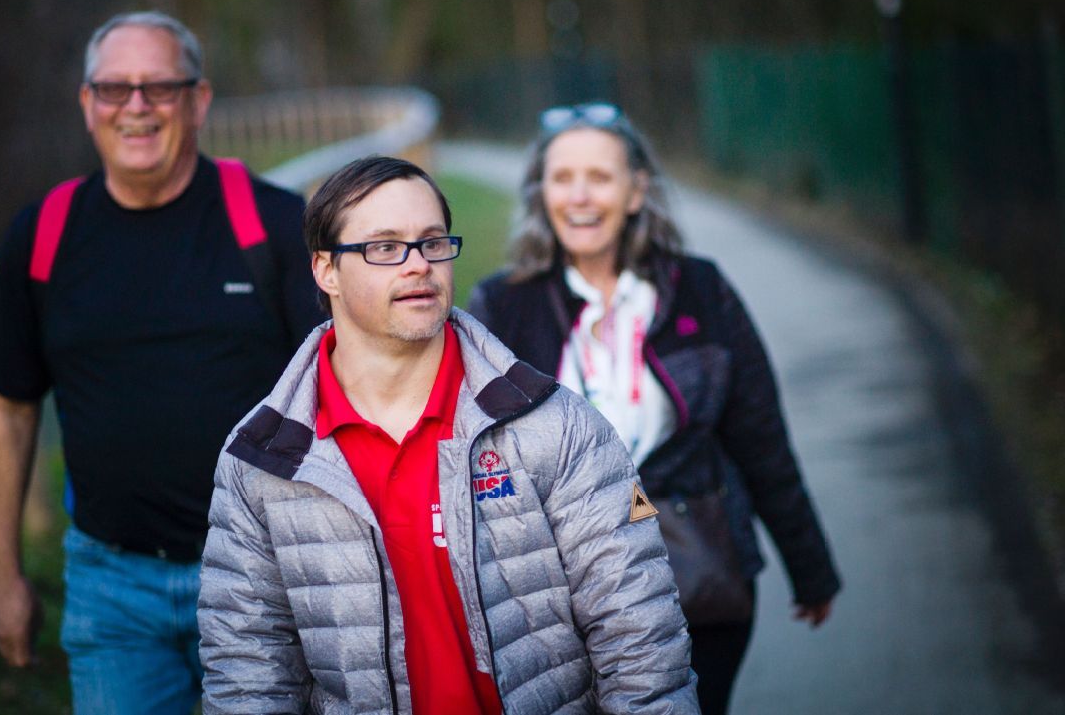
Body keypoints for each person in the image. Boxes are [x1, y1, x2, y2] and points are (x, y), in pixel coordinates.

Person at [198, 155, 700, 714]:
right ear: (325, 270)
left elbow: (640, 642)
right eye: (384, 247)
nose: (418, 265)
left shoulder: (557, 426)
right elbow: (249, 673)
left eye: (432, 242)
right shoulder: (261, 460)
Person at [0, 11, 322, 714]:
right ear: (87, 103)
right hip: (111, 585)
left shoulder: (275, 223)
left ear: (198, 100)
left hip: (265, 572)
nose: (135, 107)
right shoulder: (42, 234)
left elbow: (345, 392)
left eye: (160, 87)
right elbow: (8, 411)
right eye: (114, 89)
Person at [469, 103, 842, 714]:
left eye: (600, 177)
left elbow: (761, 440)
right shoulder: (503, 306)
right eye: (562, 178)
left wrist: (811, 569)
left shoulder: (703, 289)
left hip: (699, 579)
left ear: (637, 190)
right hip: (559, 599)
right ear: (541, 193)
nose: (580, 196)